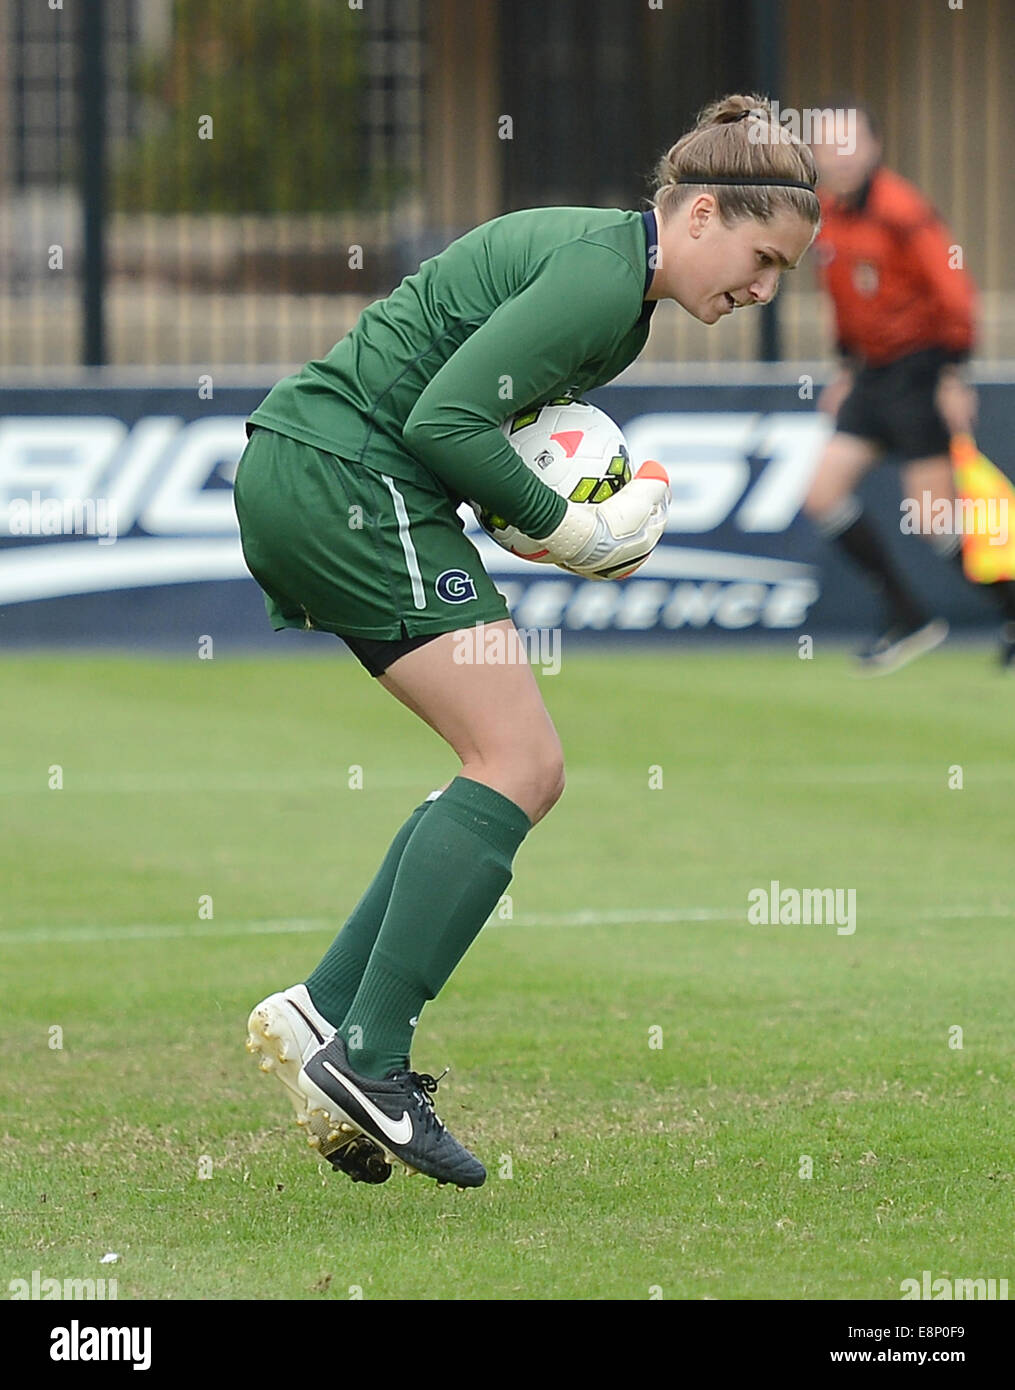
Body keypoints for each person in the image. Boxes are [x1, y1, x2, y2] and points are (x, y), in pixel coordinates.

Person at [233, 93, 819, 1189]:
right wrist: (569, 527)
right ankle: (370, 1058)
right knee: (520, 761)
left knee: (505, 763)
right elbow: (443, 422)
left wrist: (546, 524)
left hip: (338, 476)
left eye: (782, 271)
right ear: (696, 214)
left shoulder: (616, 288)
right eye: (761, 255)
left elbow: (473, 428)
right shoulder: (603, 279)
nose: (764, 289)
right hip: (345, 479)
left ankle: (324, 1010)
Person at [805, 101, 1015, 672]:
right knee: (822, 495)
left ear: (874, 148)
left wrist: (952, 373)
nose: (838, 155)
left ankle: (1009, 604)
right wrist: (847, 367)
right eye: (827, 145)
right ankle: (909, 616)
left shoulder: (903, 210)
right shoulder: (826, 212)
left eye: (849, 143)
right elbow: (848, 298)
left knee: (932, 518)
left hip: (919, 371)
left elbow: (955, 292)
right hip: (871, 375)